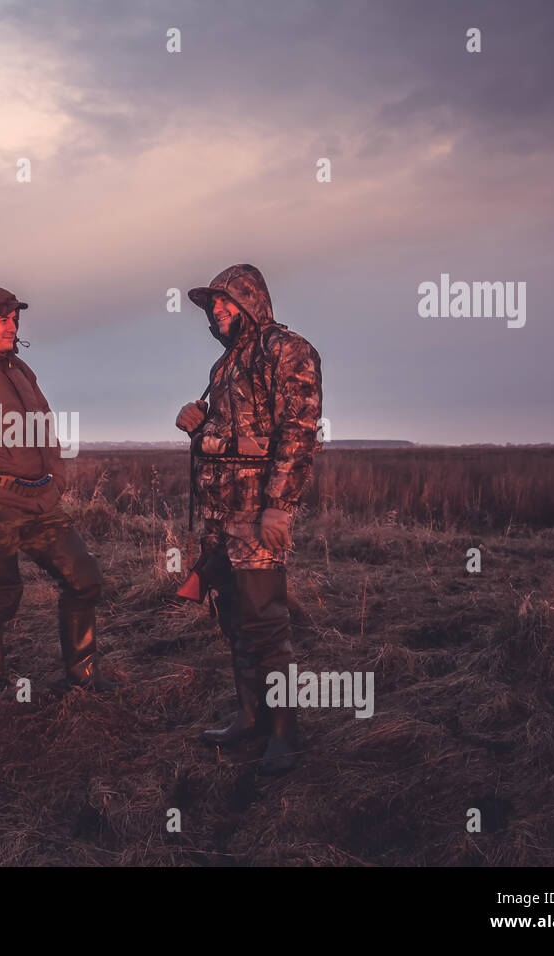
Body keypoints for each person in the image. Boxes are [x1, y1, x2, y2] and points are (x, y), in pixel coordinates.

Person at [0, 284, 117, 694]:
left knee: (84, 578)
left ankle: (82, 677)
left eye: (15, 319)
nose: (11, 327)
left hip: (40, 502)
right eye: (1, 319)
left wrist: (56, 478)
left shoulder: (21, 372)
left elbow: (45, 429)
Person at [175, 263, 322, 774]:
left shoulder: (287, 349)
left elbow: (297, 433)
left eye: (224, 302)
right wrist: (196, 419)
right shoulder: (226, 364)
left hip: (258, 514)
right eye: (211, 305)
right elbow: (229, 427)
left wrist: (280, 504)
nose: (215, 312)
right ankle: (250, 716)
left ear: (250, 301)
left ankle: (285, 732)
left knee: (265, 623)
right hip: (219, 516)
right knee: (234, 619)